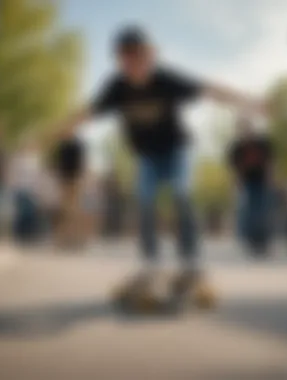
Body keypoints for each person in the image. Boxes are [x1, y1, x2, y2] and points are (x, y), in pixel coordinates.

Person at [51, 26, 264, 303]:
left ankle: (191, 263)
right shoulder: (116, 87)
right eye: (126, 60)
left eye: (139, 57)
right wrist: (59, 128)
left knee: (181, 194)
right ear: (120, 61)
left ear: (150, 56)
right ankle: (151, 264)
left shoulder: (167, 79)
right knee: (145, 199)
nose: (134, 66)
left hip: (177, 150)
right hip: (147, 157)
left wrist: (247, 101)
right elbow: (88, 111)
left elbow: (209, 90)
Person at [229, 114, 274, 256]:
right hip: (248, 183)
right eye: (242, 129)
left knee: (261, 211)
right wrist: (237, 183)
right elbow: (235, 168)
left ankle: (263, 241)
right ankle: (252, 241)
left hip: (261, 181)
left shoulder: (262, 143)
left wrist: (270, 178)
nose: (244, 132)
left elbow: (269, 162)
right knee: (249, 211)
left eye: (246, 128)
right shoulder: (238, 147)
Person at [7, 136, 44, 245]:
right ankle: (18, 237)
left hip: (32, 191)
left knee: (30, 214)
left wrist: (38, 191)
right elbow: (12, 175)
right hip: (20, 190)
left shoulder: (35, 160)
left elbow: (38, 177)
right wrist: (12, 188)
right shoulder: (17, 159)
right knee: (21, 214)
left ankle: (28, 237)